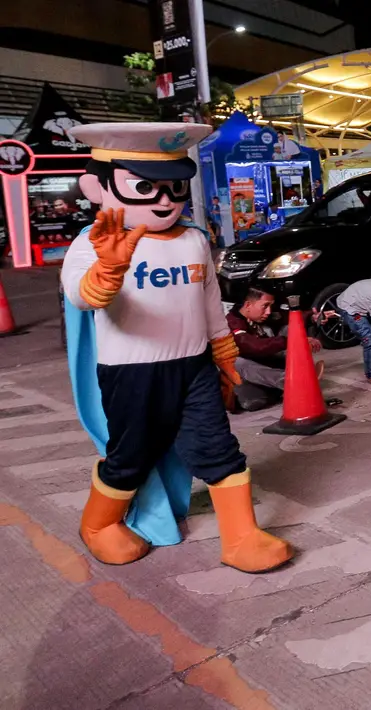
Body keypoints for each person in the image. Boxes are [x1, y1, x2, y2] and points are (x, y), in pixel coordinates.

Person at [60, 121, 292, 574]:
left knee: (219, 449)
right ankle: (97, 525)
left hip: (193, 367)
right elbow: (81, 297)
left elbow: (208, 301)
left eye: (175, 186)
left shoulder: (194, 239)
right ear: (97, 186)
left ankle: (241, 537)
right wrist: (108, 269)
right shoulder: (92, 244)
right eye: (144, 186)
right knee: (130, 456)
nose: (165, 199)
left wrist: (224, 352)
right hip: (130, 372)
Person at [226, 287, 324, 411]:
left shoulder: (266, 315)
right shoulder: (231, 324)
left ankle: (299, 375)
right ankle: (293, 381)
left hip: (267, 371)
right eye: (265, 306)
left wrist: (312, 317)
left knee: (288, 328)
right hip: (245, 384)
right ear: (248, 305)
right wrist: (295, 341)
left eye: (270, 306)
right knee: (235, 361)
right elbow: (253, 346)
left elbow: (287, 317)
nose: (268, 311)